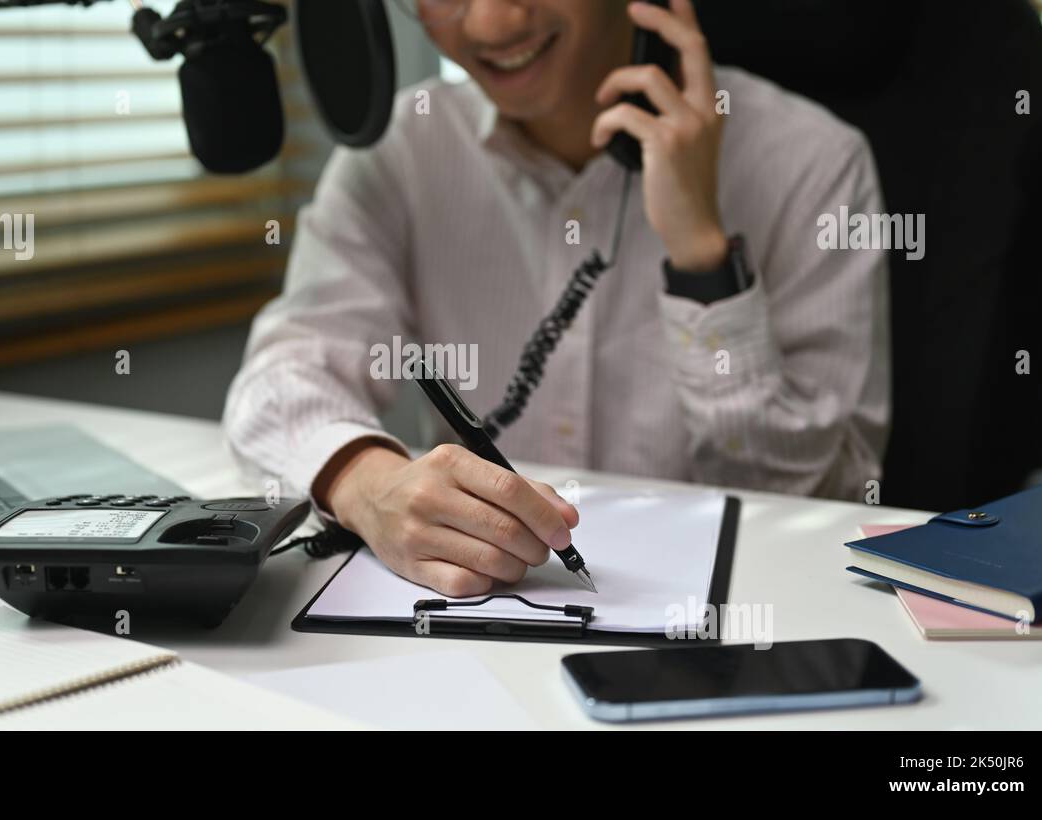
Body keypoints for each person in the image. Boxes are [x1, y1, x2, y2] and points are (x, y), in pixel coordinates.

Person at [224, 0, 889, 596]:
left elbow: (820, 500)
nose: (491, 23)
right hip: (477, 619)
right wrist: (370, 489)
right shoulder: (401, 153)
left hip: (745, 613)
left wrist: (703, 259)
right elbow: (278, 381)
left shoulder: (813, 161)